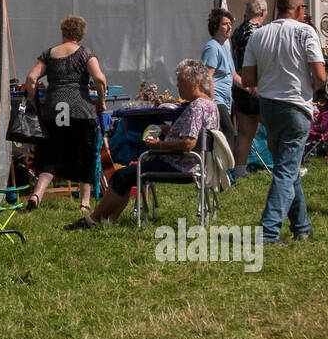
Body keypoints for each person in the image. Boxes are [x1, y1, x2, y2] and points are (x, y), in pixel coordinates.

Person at [67, 60, 218, 230]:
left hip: (179, 164)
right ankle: (107, 222)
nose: (178, 85)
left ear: (197, 82)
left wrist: (158, 146)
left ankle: (91, 221)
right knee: (126, 177)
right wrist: (169, 131)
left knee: (121, 176)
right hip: (197, 164)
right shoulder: (211, 105)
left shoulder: (196, 107)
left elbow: (189, 143)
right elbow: (195, 137)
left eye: (182, 81)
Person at [241, 0, 326, 244]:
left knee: (286, 168)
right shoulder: (305, 32)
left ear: (276, 9)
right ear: (299, 9)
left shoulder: (258, 34)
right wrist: (307, 89)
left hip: (268, 107)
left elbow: (247, 79)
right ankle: (268, 232)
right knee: (286, 171)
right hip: (295, 108)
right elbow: (320, 76)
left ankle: (302, 227)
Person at [22, 15, 108, 212]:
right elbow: (99, 79)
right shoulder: (85, 54)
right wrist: (101, 101)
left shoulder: (49, 54)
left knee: (51, 156)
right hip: (80, 110)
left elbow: (31, 78)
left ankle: (36, 195)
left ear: (63, 32)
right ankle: (84, 204)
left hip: (53, 110)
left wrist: (33, 102)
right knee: (84, 156)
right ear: (81, 34)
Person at [230, 0, 268, 179]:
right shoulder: (258, 32)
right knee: (276, 128)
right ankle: (286, 166)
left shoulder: (237, 31)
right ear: (263, 12)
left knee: (245, 131)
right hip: (256, 87)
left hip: (240, 86)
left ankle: (240, 169)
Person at [201, 8, 240, 154]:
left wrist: (251, 88)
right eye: (225, 24)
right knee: (228, 131)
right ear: (216, 27)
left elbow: (234, 76)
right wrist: (212, 100)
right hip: (217, 99)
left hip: (226, 99)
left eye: (230, 23)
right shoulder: (212, 47)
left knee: (225, 133)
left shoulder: (224, 47)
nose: (229, 27)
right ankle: (226, 170)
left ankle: (223, 169)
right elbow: (207, 75)